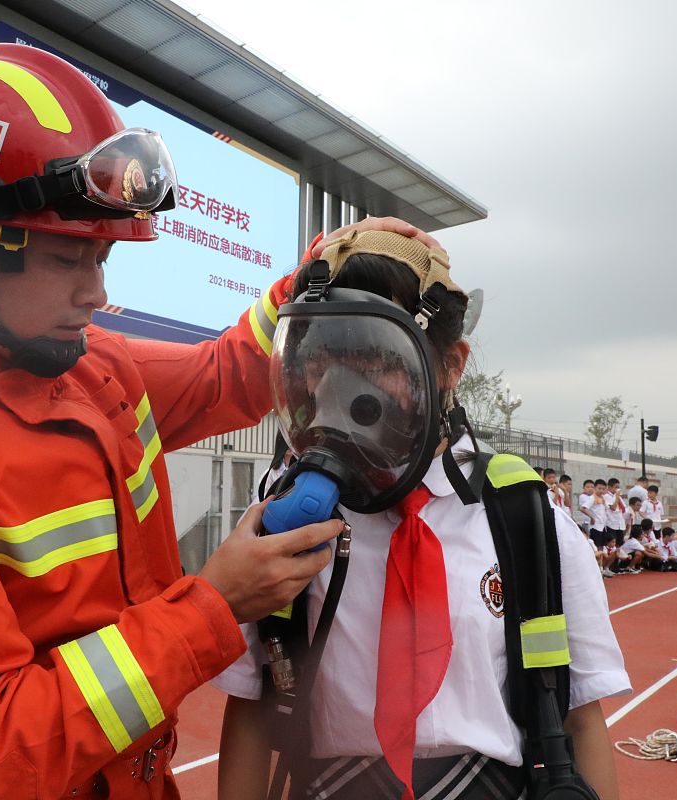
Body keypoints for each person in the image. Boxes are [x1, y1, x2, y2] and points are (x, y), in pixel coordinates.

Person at [0, 44, 412, 799]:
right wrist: (213, 606)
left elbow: (228, 374)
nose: (96, 292)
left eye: (105, 256)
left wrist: (320, 269)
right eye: (67, 259)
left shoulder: (89, 363)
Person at [214, 233, 628, 800]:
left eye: (378, 358)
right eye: (325, 357)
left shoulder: (523, 516)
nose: (341, 384)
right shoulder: (284, 519)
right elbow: (253, 712)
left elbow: (581, 717)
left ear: (449, 367)